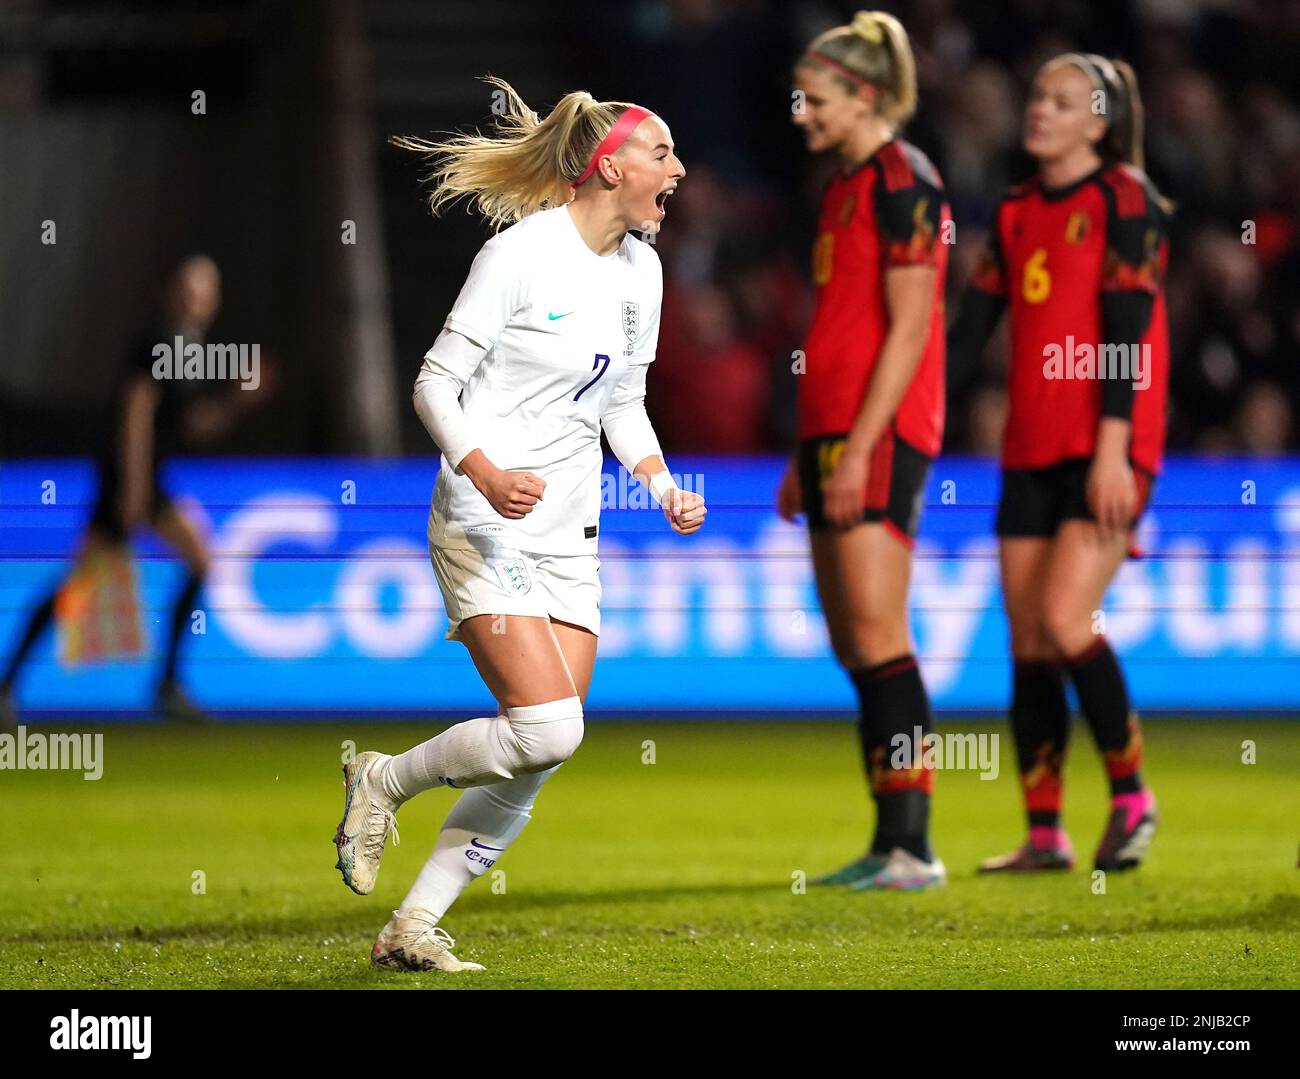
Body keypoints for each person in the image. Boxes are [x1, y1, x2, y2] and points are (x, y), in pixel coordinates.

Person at [332, 78, 703, 973]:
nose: (679, 170)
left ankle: (411, 925)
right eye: (663, 155)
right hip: (482, 520)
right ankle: (381, 778)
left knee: (536, 751)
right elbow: (432, 383)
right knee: (549, 728)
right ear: (611, 165)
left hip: (570, 533)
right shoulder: (520, 255)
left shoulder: (641, 271)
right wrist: (485, 471)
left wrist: (658, 484)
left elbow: (624, 401)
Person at [947, 53, 1171, 873]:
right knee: (1030, 639)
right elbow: (971, 333)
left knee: (1069, 620)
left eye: (1061, 100)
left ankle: (1133, 797)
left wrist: (1114, 451)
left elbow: (1126, 331)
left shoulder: (1125, 200)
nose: (1038, 109)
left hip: (1109, 440)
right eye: (1036, 94)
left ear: (1099, 122)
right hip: (1031, 445)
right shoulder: (1012, 213)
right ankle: (1045, 831)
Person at [778, 10, 950, 891]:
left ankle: (913, 845)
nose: (801, 114)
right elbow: (842, 327)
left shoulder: (904, 179)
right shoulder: (843, 185)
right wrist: (806, 451)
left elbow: (912, 327)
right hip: (832, 432)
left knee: (882, 636)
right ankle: (889, 839)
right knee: (854, 643)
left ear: (866, 95)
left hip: (879, 435)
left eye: (815, 100)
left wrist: (857, 450)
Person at [0, 255, 269, 730]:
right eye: (189, 288)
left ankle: (164, 685)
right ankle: (14, 686)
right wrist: (134, 489)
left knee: (193, 562)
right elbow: (135, 414)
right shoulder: (155, 342)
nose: (197, 299)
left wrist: (234, 403)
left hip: (146, 477)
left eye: (206, 290)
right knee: (82, 582)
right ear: (172, 292)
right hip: (128, 476)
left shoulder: (191, 349)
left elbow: (190, 428)